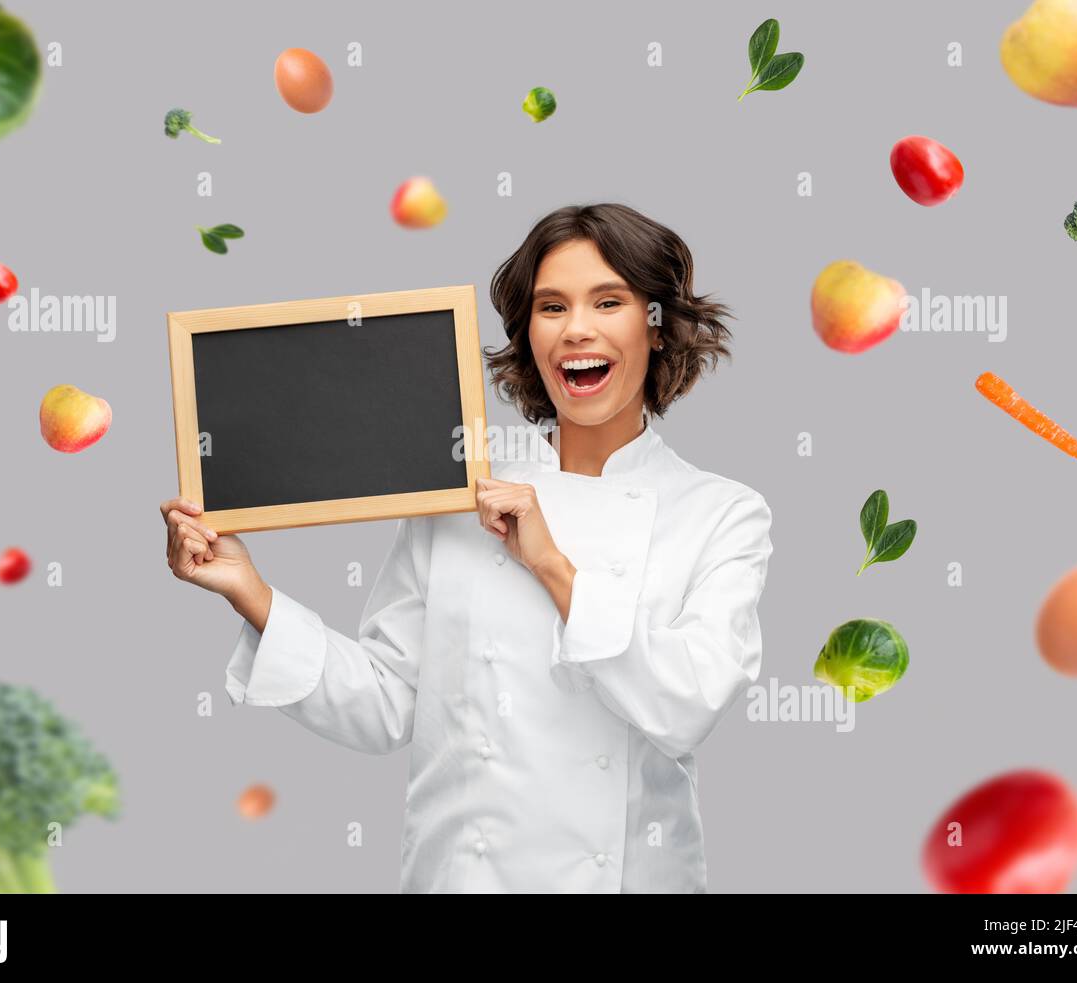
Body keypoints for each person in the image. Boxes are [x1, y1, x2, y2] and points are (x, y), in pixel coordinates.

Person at [160, 202, 774, 893]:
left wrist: (551, 563)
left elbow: (684, 706)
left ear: (658, 328)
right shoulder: (464, 487)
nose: (577, 329)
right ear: (527, 333)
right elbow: (390, 701)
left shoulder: (721, 514)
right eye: (551, 307)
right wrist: (254, 594)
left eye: (609, 301)